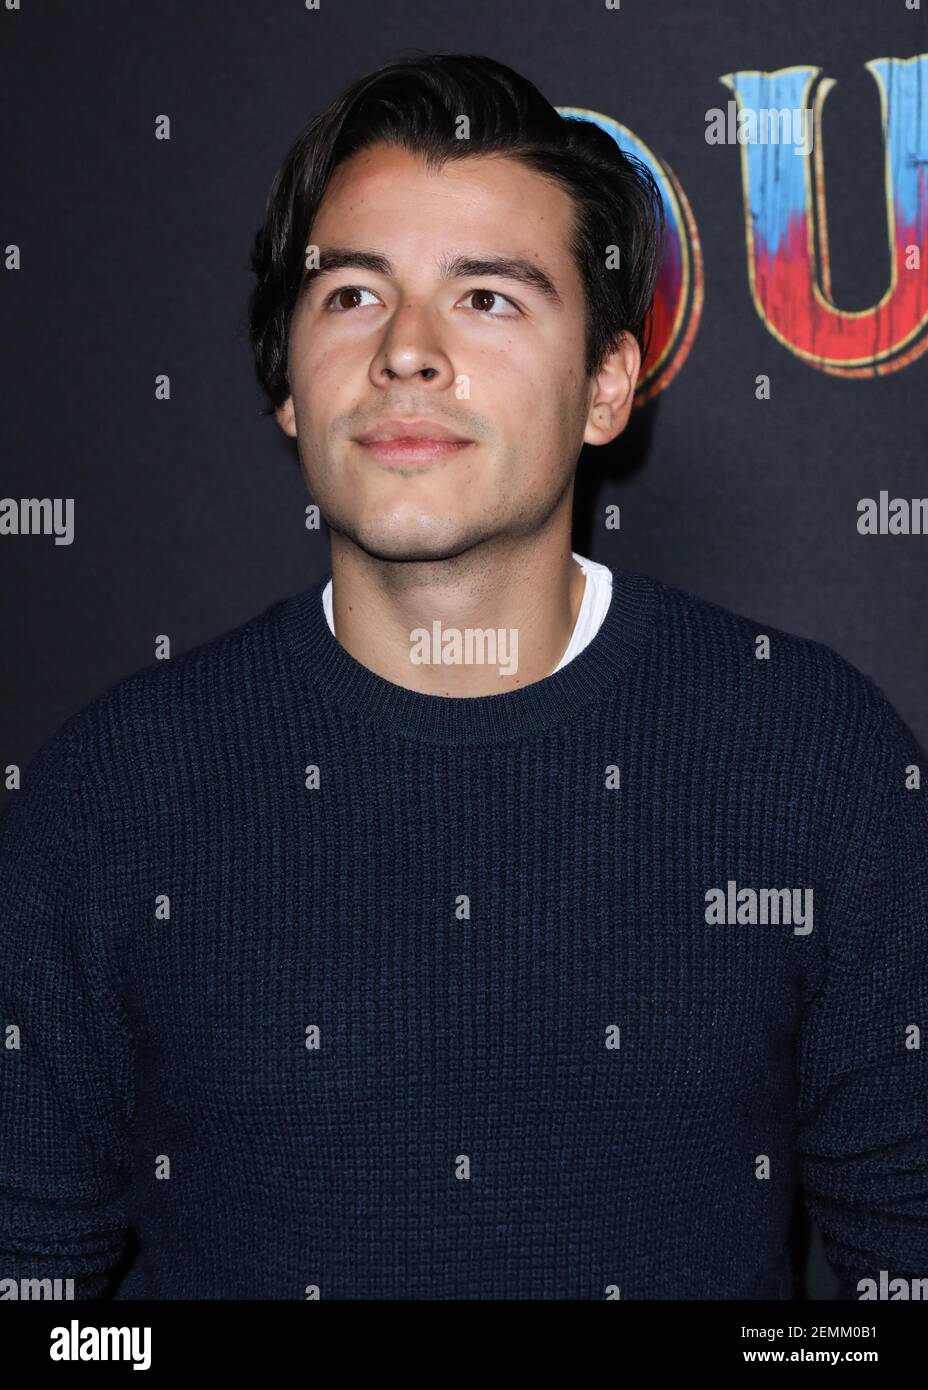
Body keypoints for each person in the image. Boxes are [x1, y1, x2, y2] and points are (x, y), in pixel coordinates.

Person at [1, 52, 926, 1302]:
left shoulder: (816, 761)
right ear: (287, 384)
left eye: (488, 298)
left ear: (607, 384)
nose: (407, 353)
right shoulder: (108, 795)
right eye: (350, 297)